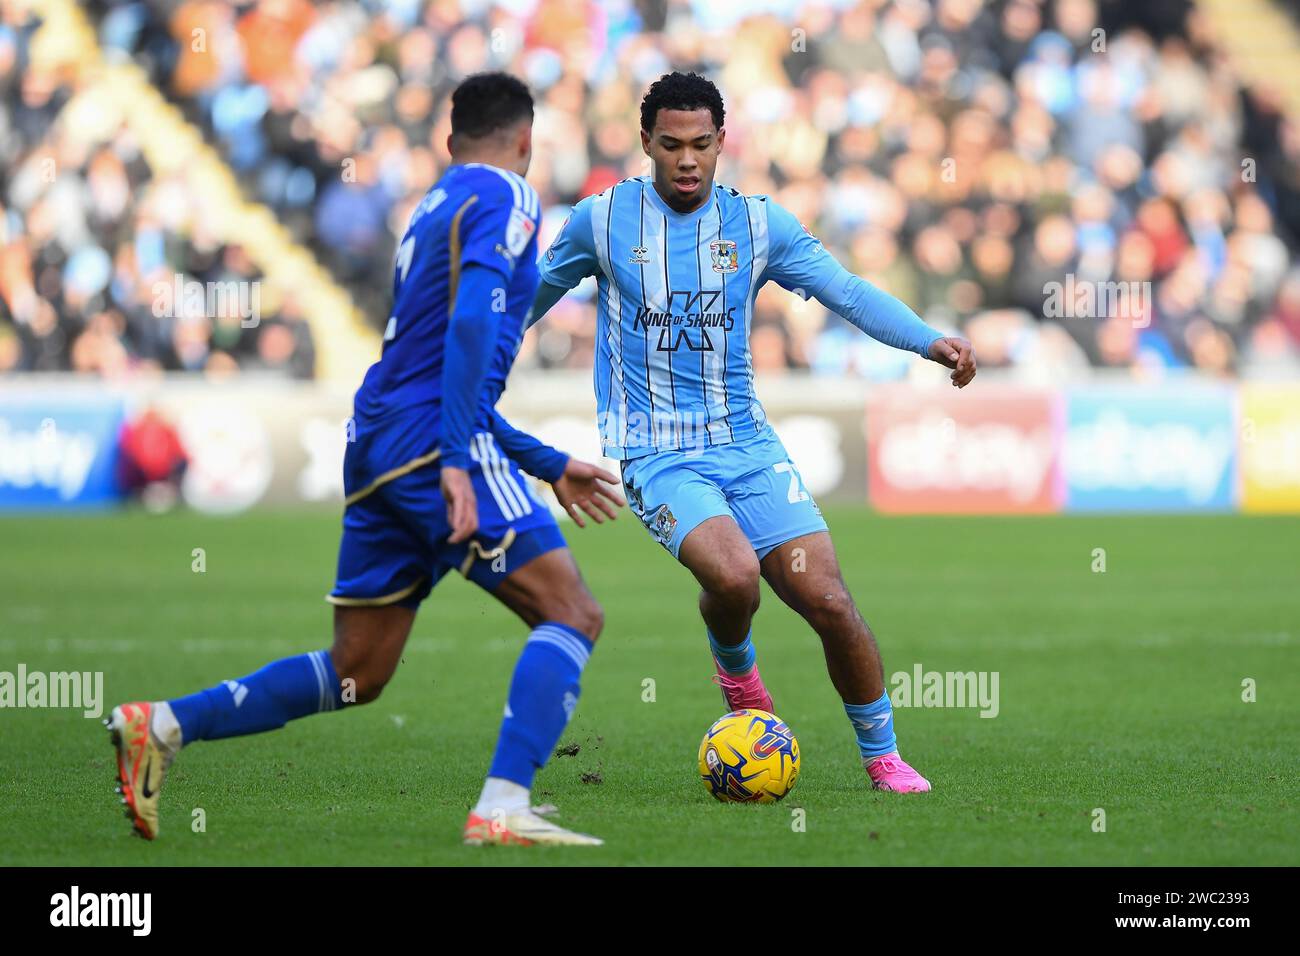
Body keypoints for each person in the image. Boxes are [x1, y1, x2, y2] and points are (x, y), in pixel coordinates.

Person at [107, 72, 623, 846]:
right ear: (525, 142)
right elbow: (472, 330)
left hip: (378, 441)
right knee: (571, 612)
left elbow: (447, 366)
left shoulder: (433, 206)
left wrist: (543, 461)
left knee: (358, 670)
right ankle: (503, 805)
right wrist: (456, 459)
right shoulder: (510, 197)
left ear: (450, 143)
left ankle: (166, 725)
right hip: (430, 445)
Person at [530, 71, 977, 794]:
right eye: (670, 145)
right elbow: (532, 299)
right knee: (735, 576)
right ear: (645, 142)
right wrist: (457, 358)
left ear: (720, 143)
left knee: (828, 601)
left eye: (700, 145)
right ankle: (738, 675)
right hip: (656, 450)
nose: (686, 159)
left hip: (748, 444)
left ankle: (883, 755)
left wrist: (931, 343)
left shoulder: (760, 223)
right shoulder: (600, 221)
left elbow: (849, 292)